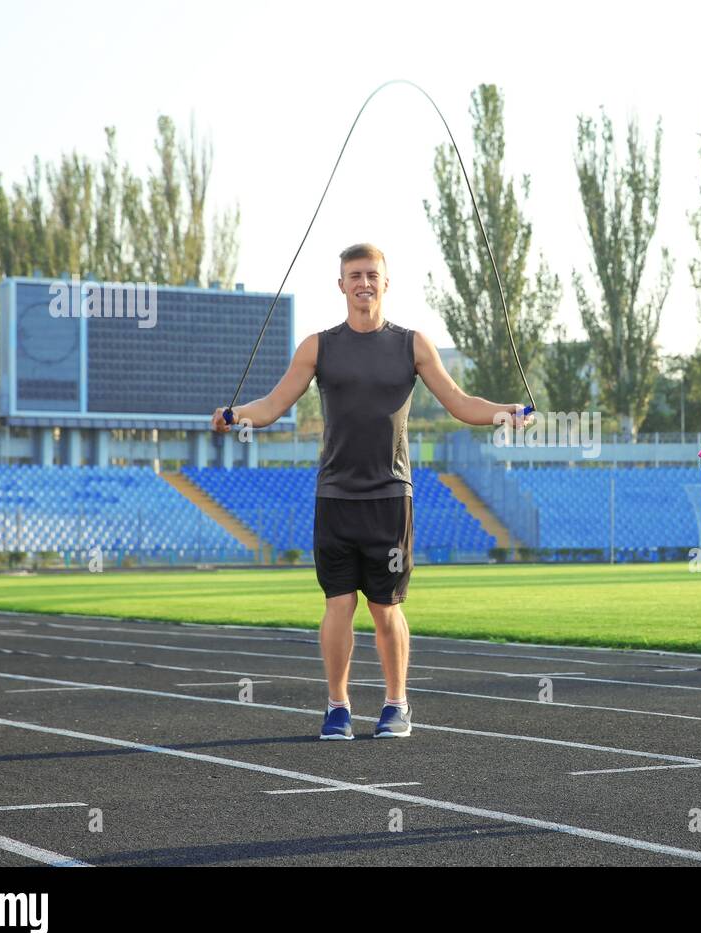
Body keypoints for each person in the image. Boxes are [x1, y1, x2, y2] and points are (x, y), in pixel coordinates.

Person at [212, 242, 531, 739]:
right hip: (335, 498)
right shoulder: (318, 346)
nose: (363, 283)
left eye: (372, 275)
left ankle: (396, 704)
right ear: (341, 284)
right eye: (354, 275)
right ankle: (337, 706)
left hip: (389, 499)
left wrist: (504, 412)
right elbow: (273, 405)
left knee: (386, 608)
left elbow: (461, 403)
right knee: (338, 604)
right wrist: (234, 416)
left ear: (386, 282)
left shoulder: (412, 345)